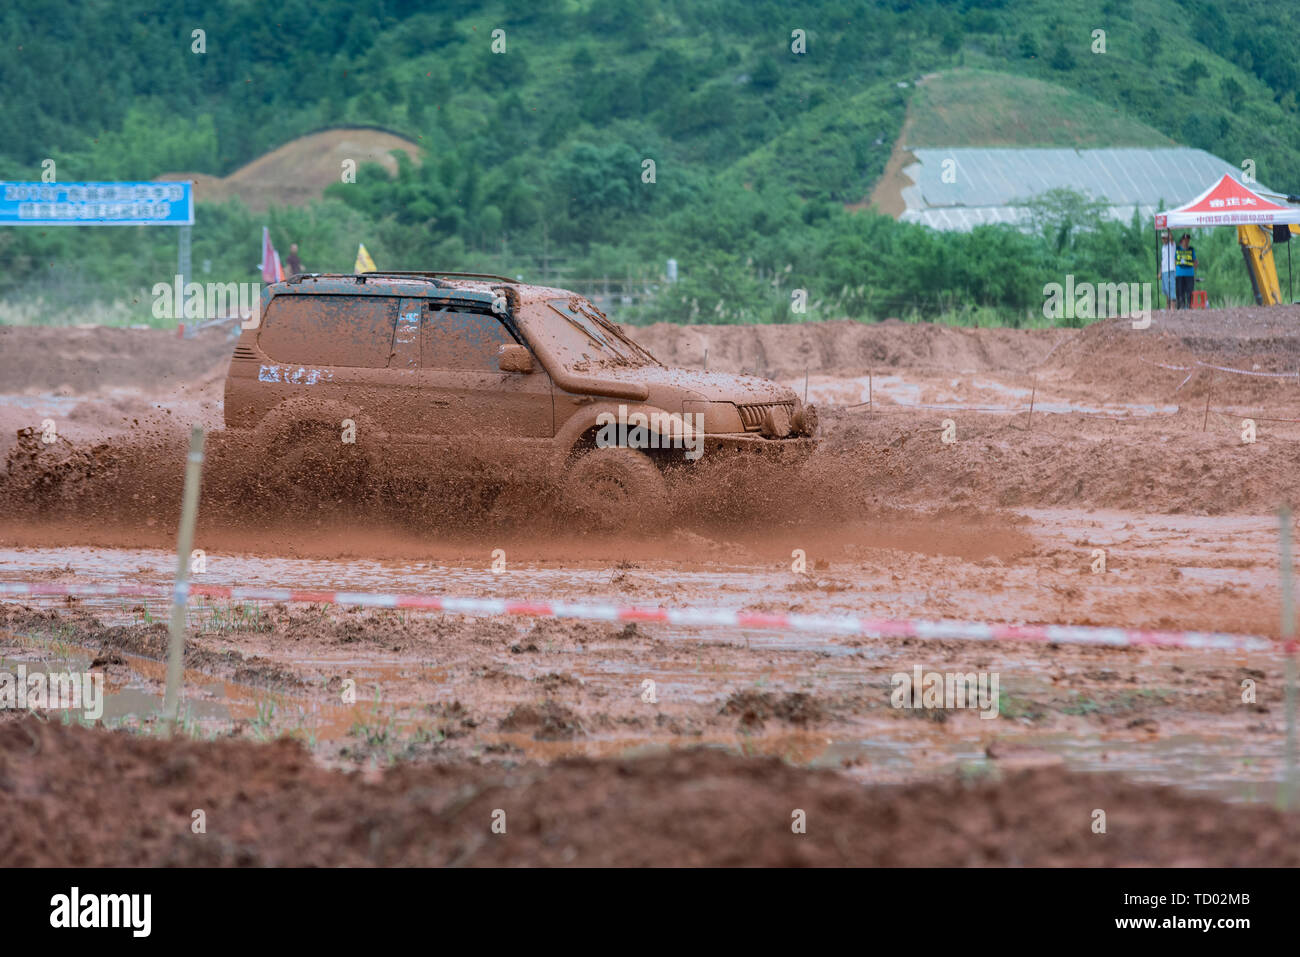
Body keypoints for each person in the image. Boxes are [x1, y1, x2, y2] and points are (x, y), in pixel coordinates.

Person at [1174, 233, 1197, 309]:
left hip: (1189, 273)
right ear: (1182, 240)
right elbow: (1175, 260)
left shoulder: (1191, 249)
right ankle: (1182, 306)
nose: (1186, 241)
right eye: (1185, 240)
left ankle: (1189, 306)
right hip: (1180, 273)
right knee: (1180, 291)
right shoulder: (1178, 249)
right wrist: (1175, 271)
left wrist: (1194, 270)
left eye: (1188, 240)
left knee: (1189, 291)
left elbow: (1195, 261)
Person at [1160, 231, 1177, 309]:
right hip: (1164, 270)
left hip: (1170, 269)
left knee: (1171, 287)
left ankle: (1173, 306)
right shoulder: (1163, 247)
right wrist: (1160, 272)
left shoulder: (1172, 245)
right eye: (1162, 238)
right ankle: (1168, 306)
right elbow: (1162, 260)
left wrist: (1168, 229)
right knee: (1166, 289)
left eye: (1165, 238)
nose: (1163, 240)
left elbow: (1171, 238)